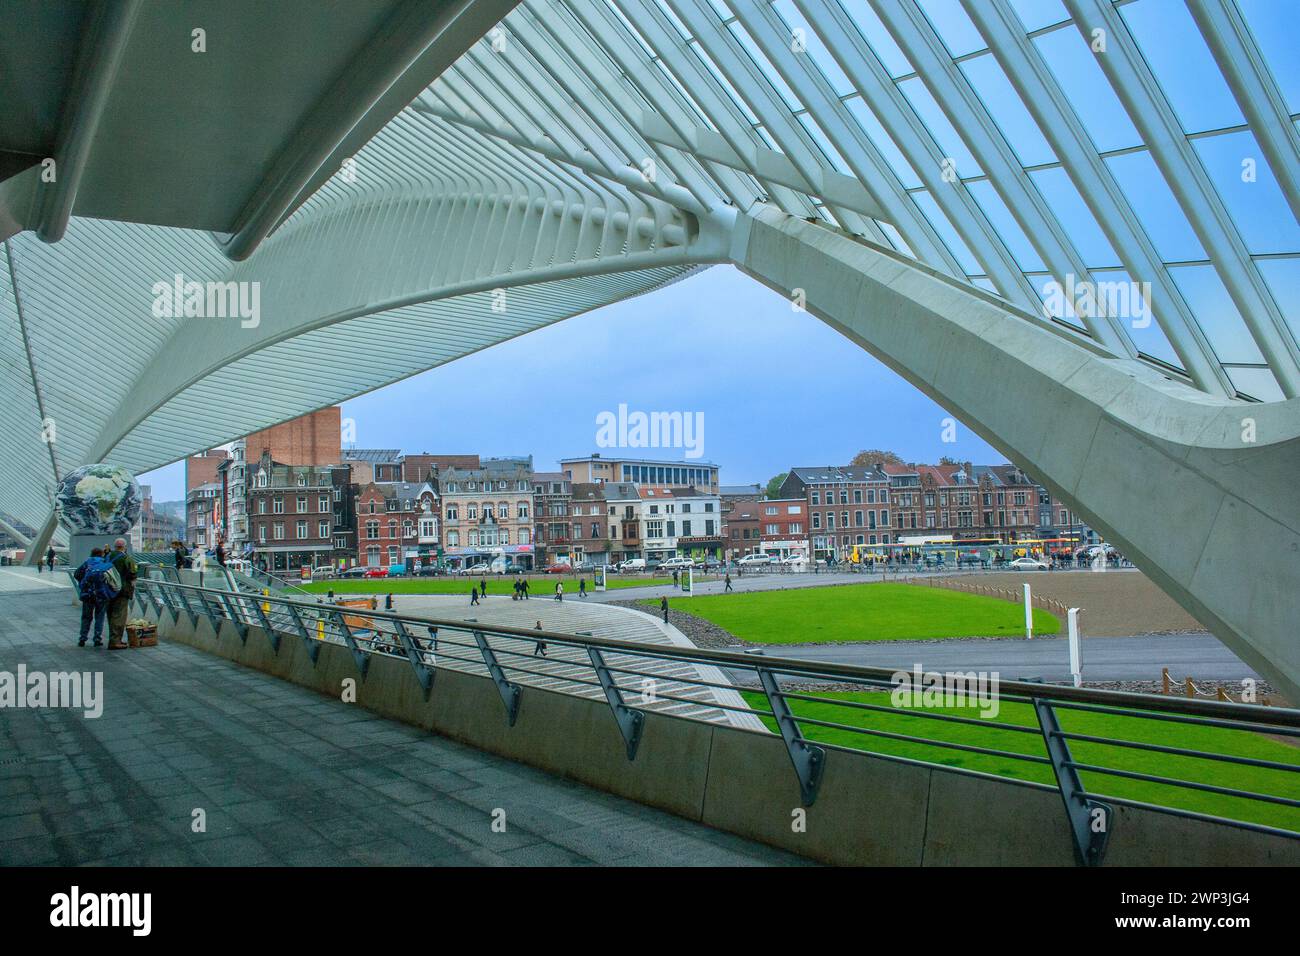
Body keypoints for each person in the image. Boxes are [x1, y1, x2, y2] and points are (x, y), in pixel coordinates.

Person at [73, 547, 111, 647]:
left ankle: (82, 638)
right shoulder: (104, 563)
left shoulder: (87, 562)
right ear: (101, 554)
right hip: (101, 595)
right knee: (100, 617)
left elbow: (76, 574)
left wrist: (84, 584)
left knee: (86, 617)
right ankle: (97, 639)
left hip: (88, 594)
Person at [106, 538, 138, 648]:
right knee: (119, 615)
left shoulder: (107, 557)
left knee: (110, 614)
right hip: (122, 591)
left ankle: (112, 638)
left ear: (115, 546)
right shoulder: (126, 558)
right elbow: (133, 574)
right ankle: (115, 641)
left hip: (108, 590)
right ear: (125, 546)